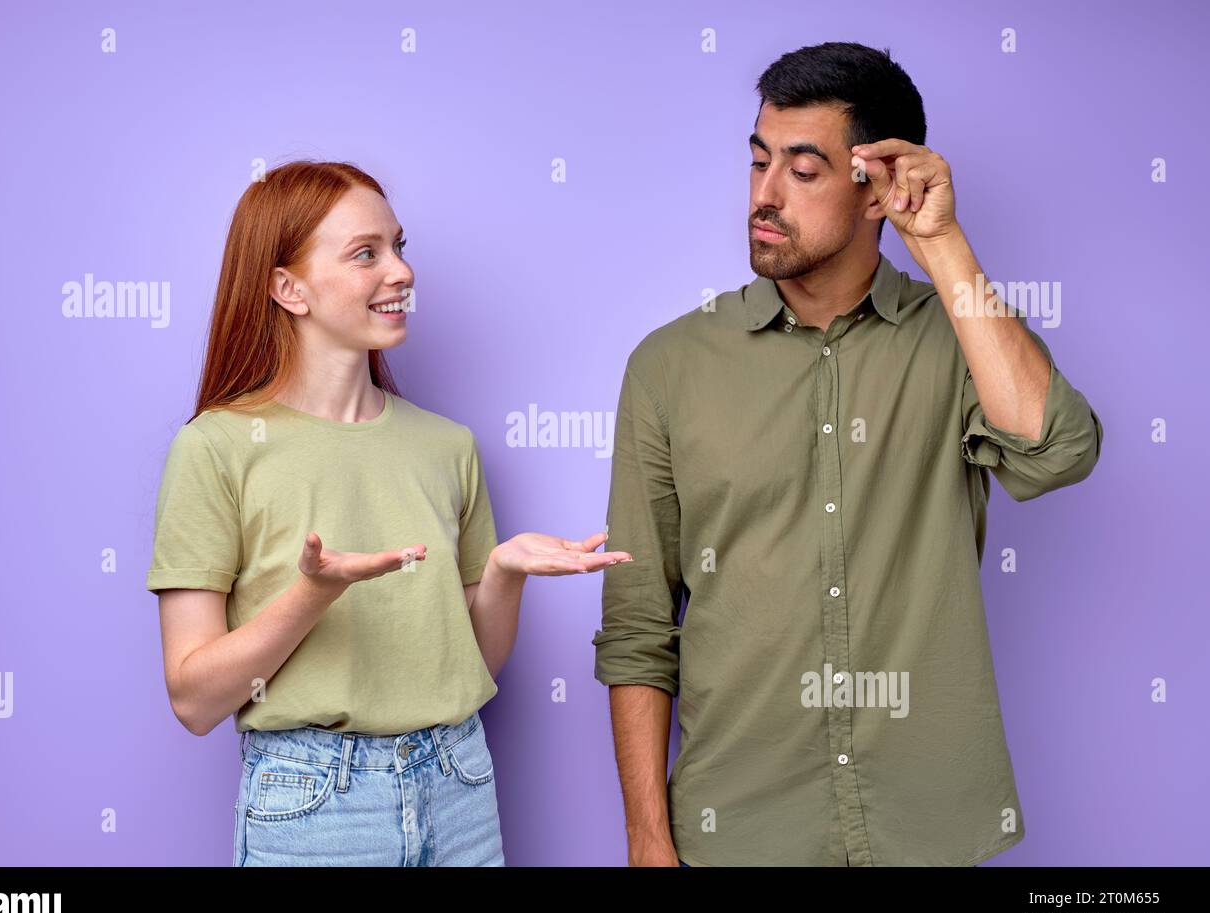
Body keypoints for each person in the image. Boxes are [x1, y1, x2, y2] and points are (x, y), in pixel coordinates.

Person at [593, 41, 1103, 866]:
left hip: (927, 827)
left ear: (879, 189)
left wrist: (939, 242)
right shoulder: (669, 366)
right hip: (740, 829)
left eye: (802, 171)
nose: (764, 195)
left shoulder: (958, 341)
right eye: (758, 162)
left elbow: (1055, 455)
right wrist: (648, 840)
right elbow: (638, 625)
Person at [145, 160, 630, 866]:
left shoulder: (447, 446)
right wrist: (313, 595)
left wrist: (502, 572)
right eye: (365, 254)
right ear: (289, 288)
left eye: (399, 247)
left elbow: (474, 665)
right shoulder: (215, 448)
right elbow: (194, 700)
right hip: (314, 802)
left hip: (459, 780)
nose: (400, 272)